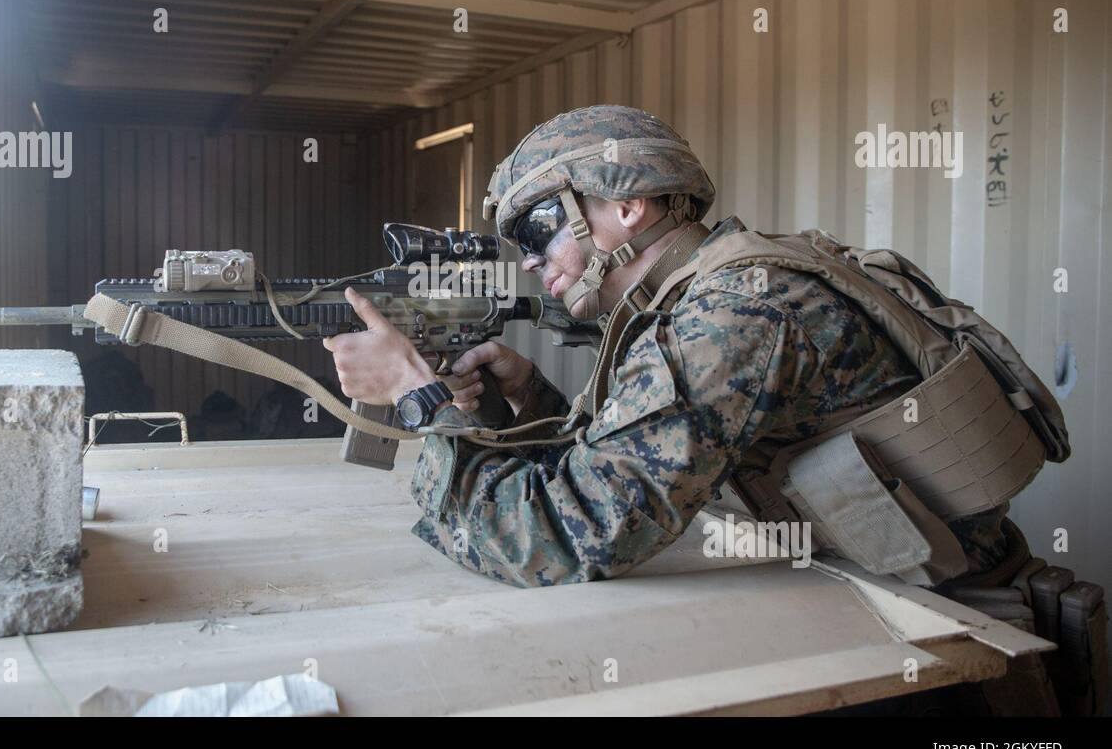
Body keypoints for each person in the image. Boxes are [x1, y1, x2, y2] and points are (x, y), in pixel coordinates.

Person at [323, 105, 1009, 587]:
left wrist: (419, 396)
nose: (530, 261)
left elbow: (562, 539)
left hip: (930, 618)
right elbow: (619, 466)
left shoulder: (734, 315)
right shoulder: (716, 289)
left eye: (537, 231)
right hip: (862, 582)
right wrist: (526, 392)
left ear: (627, 208)